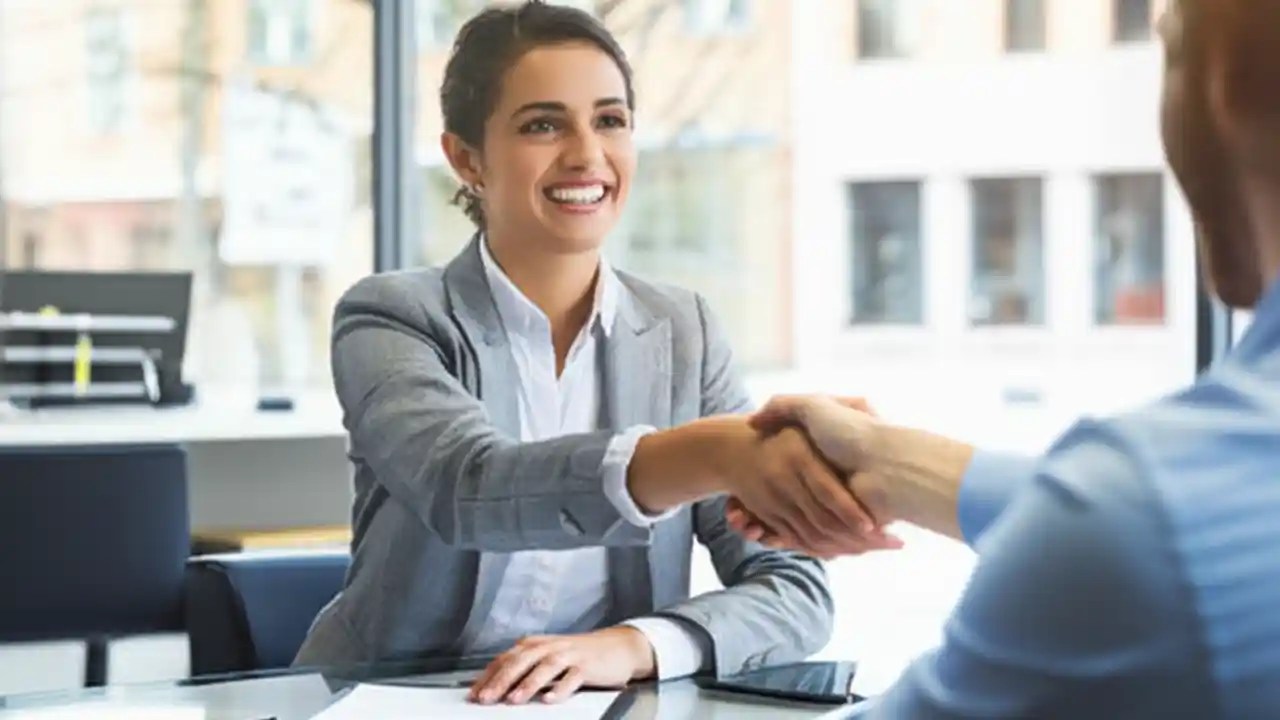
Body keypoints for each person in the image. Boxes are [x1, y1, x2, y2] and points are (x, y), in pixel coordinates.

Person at [294, 1, 896, 706]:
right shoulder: (393, 316)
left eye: (609, 120)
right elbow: (470, 488)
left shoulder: (683, 332)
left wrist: (636, 644)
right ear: (466, 158)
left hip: (595, 704)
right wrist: (713, 454)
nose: (586, 154)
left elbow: (793, 590)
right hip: (383, 699)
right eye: (543, 125)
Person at [730, 1, 1280, 716]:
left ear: (1223, 88)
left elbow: (1148, 547)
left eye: (1169, 48)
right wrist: (897, 465)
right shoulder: (1177, 513)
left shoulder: (1145, 521)